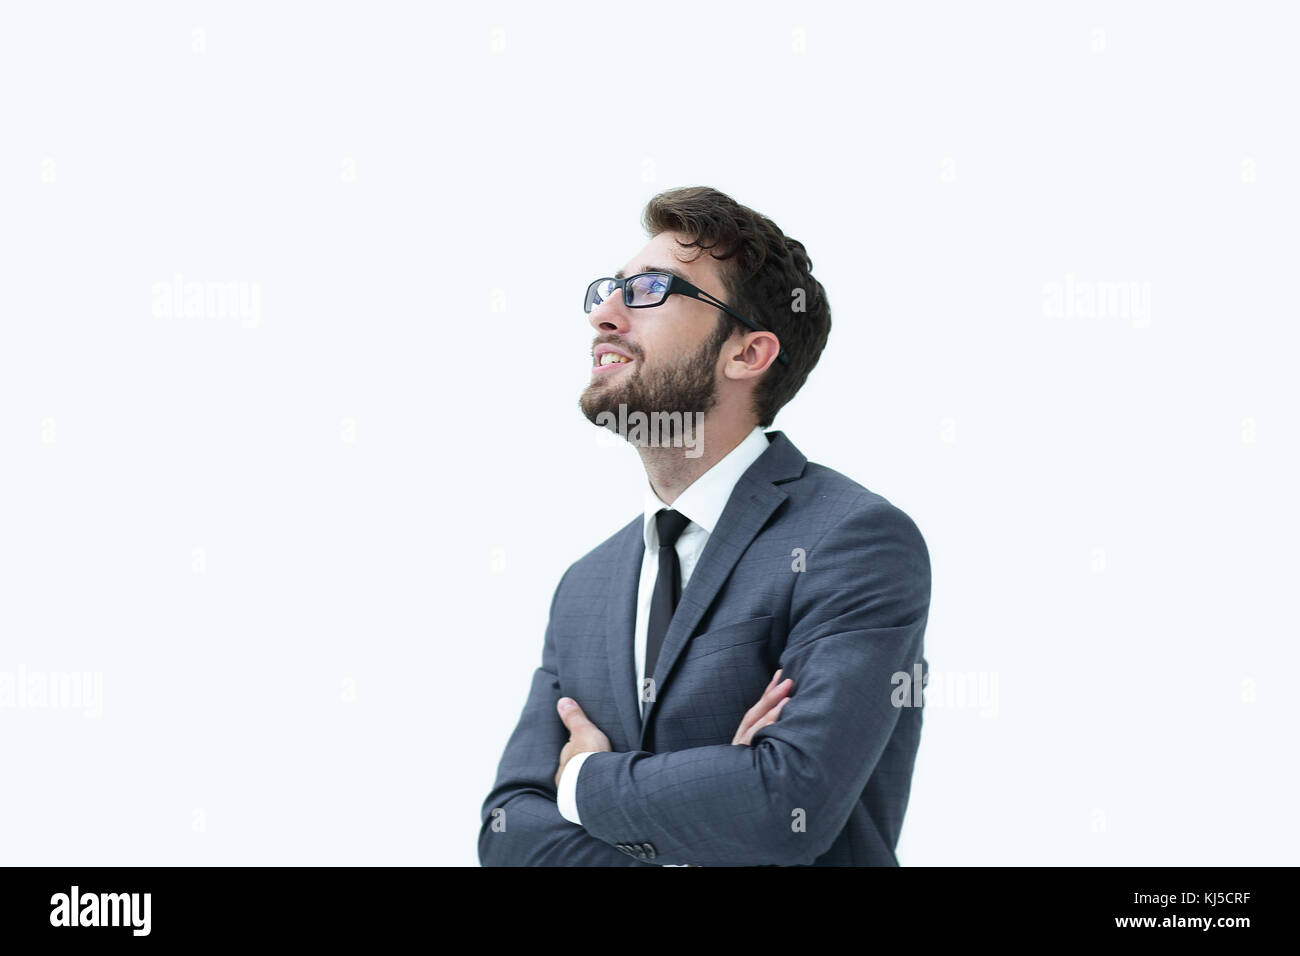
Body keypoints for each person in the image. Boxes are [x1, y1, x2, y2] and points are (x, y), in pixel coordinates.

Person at [478, 186, 931, 866]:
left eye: (651, 289)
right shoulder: (585, 586)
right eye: (610, 289)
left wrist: (580, 780)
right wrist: (710, 813)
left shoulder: (853, 540)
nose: (604, 314)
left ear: (747, 353)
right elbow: (509, 832)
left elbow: (784, 810)